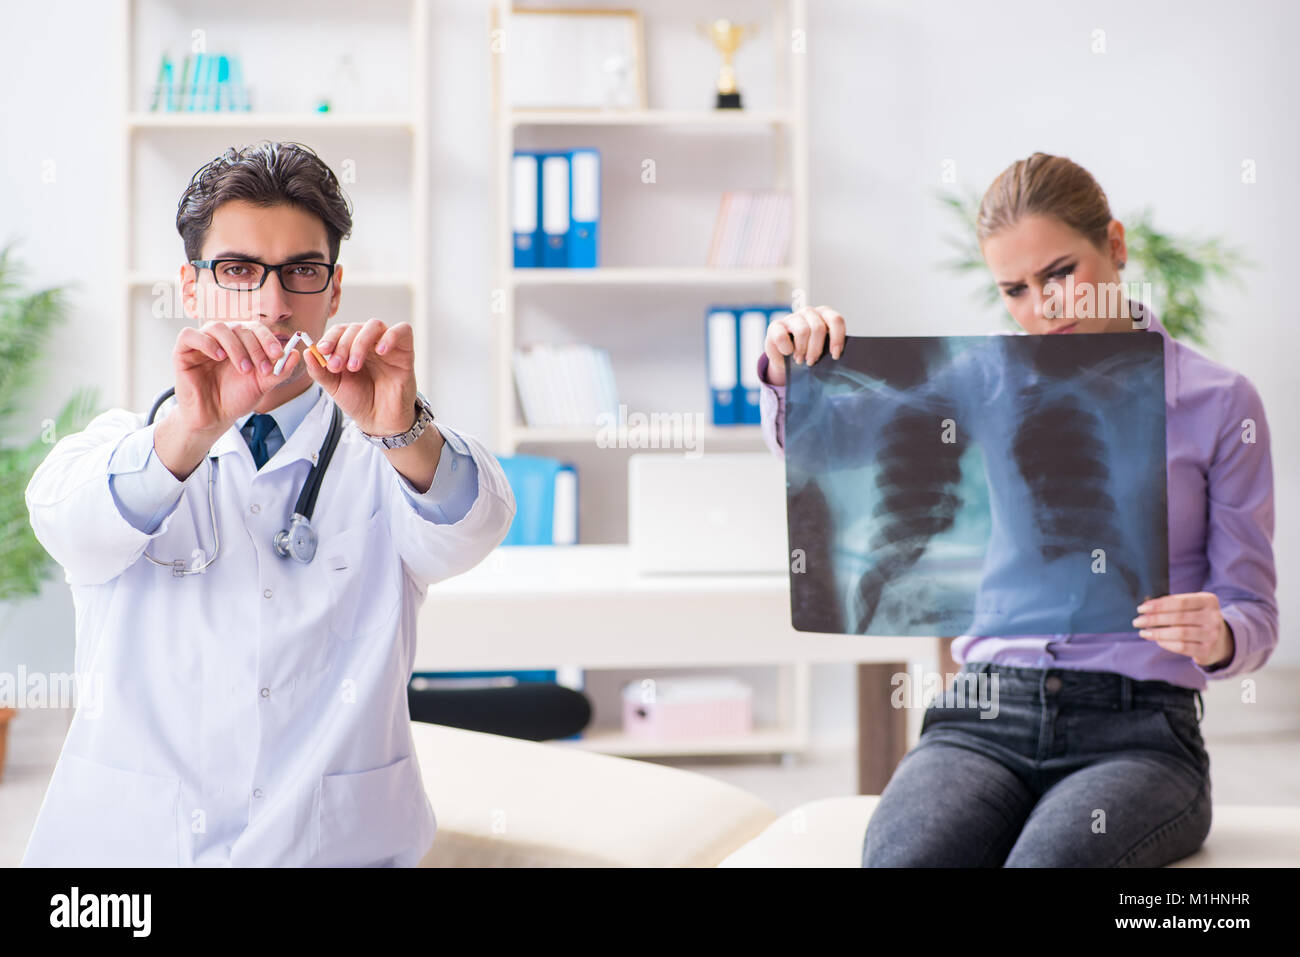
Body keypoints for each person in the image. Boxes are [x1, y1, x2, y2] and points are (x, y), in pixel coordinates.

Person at [757, 152, 1277, 867]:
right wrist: (794, 372)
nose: (1044, 307)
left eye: (1061, 273)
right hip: (983, 715)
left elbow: (1255, 611)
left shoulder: (1220, 402)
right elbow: (834, 443)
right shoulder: (984, 376)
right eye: (1015, 289)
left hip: (1138, 730)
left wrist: (1218, 633)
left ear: (1116, 246)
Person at [22, 141, 516, 867]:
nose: (272, 303)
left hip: (333, 850)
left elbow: (475, 525)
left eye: (301, 271)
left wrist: (401, 429)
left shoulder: (386, 454)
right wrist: (189, 434)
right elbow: (70, 526)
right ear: (191, 289)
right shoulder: (119, 449)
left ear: (335, 290)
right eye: (238, 269)